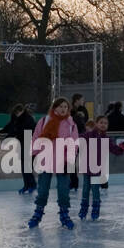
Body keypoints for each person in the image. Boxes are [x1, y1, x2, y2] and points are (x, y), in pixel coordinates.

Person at [26, 97, 79, 229]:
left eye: (65, 107)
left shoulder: (71, 124)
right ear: (55, 108)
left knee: (63, 190)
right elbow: (36, 138)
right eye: (60, 106)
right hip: (46, 159)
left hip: (63, 161)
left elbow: (74, 144)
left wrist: (69, 160)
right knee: (43, 190)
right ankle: (38, 213)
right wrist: (34, 154)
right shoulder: (44, 121)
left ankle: (64, 214)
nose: (63, 109)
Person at [77, 114, 124, 219]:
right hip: (87, 166)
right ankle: (84, 208)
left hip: (97, 168)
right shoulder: (88, 135)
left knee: (95, 189)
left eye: (105, 123)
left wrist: (122, 149)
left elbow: (114, 149)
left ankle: (96, 209)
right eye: (101, 122)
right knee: (86, 188)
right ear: (96, 124)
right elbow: (79, 140)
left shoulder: (106, 139)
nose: (103, 125)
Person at [3, 103, 37, 193]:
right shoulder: (17, 118)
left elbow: (22, 130)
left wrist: (12, 135)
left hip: (29, 143)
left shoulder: (28, 119)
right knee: (24, 167)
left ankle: (31, 184)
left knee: (26, 166)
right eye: (16, 113)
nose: (17, 114)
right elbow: (11, 127)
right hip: (22, 143)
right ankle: (28, 185)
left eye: (18, 113)